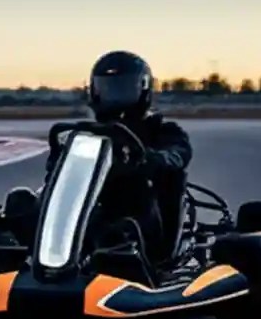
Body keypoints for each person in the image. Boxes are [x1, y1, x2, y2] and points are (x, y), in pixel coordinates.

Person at [46, 50, 194, 262]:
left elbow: (177, 155)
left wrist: (149, 159)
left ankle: (120, 252)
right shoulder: (85, 134)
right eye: (108, 89)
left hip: (144, 218)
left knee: (131, 197)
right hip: (88, 210)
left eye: (123, 89)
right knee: (20, 200)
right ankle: (16, 252)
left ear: (143, 89)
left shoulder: (163, 131)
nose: (114, 98)